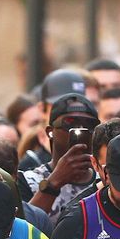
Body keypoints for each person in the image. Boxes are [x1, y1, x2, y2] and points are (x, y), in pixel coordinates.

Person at [21, 92, 99, 221]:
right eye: (70, 123)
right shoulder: (28, 181)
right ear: (50, 132)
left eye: (89, 124)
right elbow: (24, 228)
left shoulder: (103, 179)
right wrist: (54, 183)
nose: (80, 128)